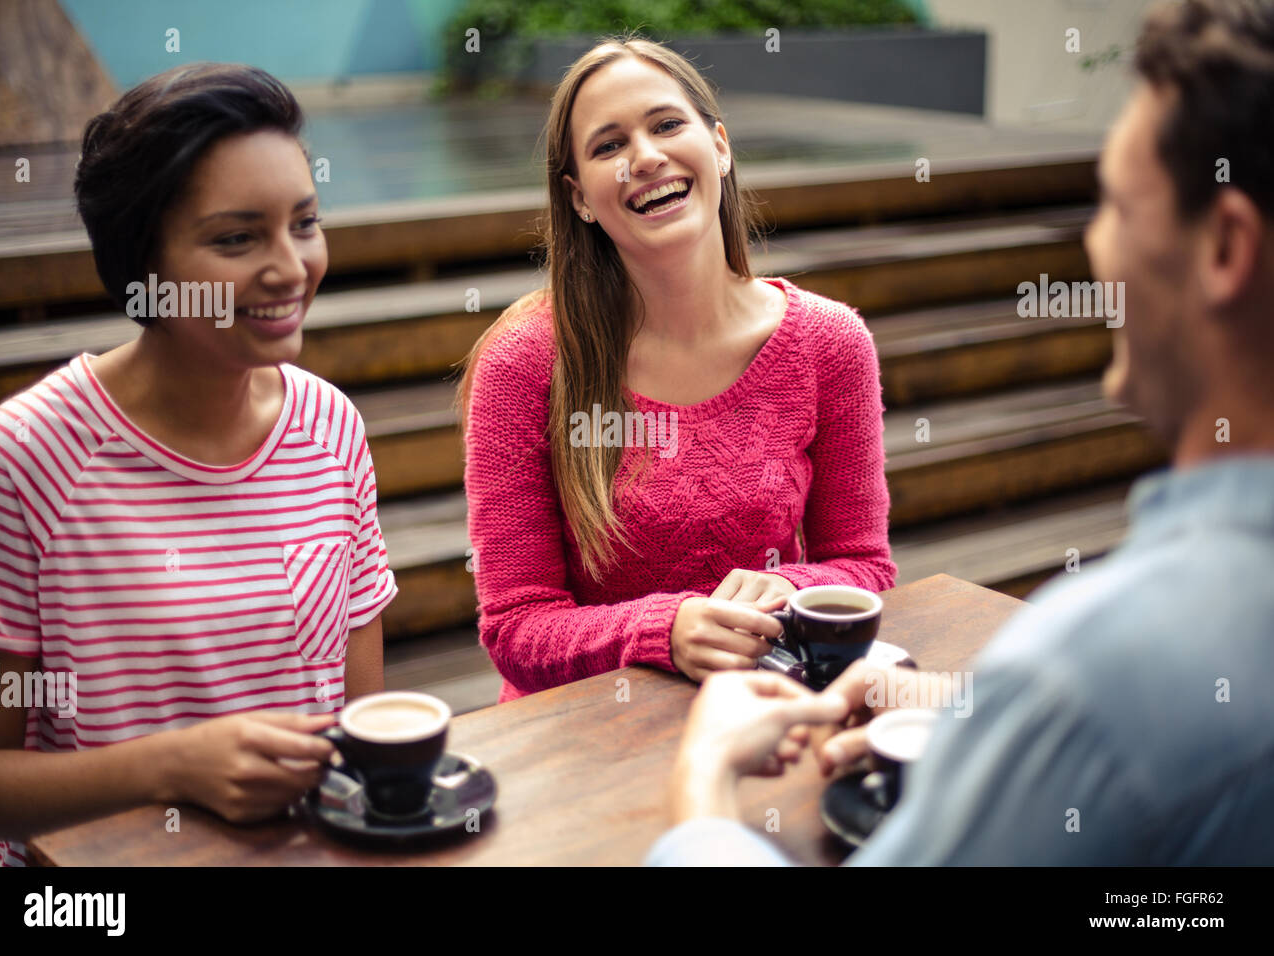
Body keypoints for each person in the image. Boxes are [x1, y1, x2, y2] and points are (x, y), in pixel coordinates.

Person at [648, 0, 1274, 866]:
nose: (1094, 248)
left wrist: (704, 792)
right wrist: (982, 718)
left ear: (1224, 251)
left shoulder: (1097, 673)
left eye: (1117, 208)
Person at [0, 63, 398, 866]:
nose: (288, 268)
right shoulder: (26, 456)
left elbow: (359, 724)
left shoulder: (330, 428)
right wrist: (172, 768)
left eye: (303, 223)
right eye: (236, 238)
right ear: (144, 267)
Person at [457, 37, 897, 703]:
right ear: (579, 198)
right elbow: (517, 628)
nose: (646, 157)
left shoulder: (828, 343)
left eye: (666, 124)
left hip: (765, 715)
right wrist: (663, 629)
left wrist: (792, 586)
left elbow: (863, 565)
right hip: (588, 741)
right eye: (609, 146)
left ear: (719, 145)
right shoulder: (523, 364)